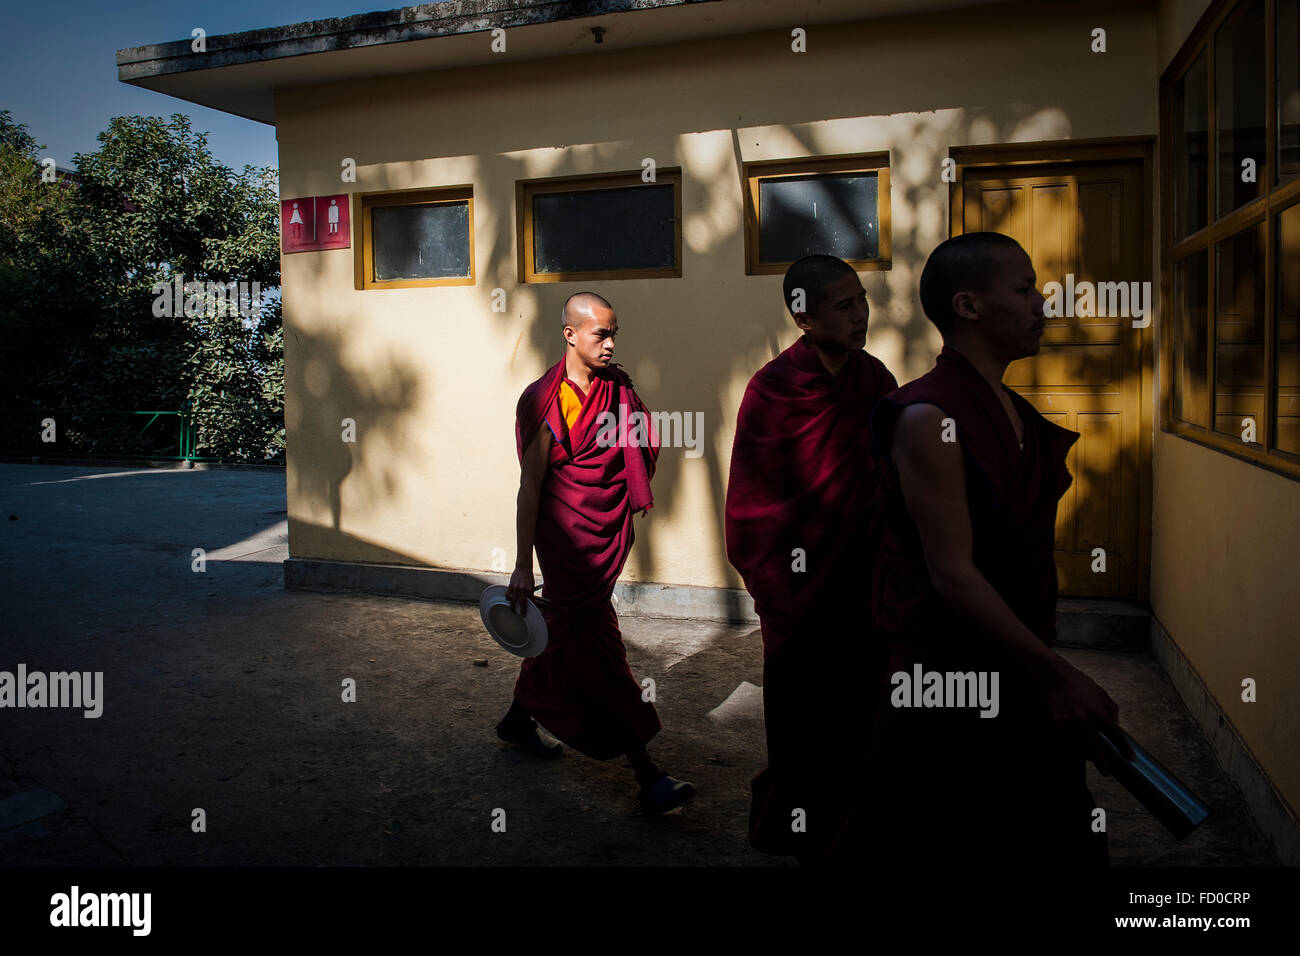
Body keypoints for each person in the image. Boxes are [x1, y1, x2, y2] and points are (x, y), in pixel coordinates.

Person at [825, 232, 1133, 868]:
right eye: (1023, 288)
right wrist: (1059, 674)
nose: (1040, 302)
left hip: (1016, 661)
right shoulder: (927, 416)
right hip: (948, 677)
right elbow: (953, 575)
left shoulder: (1011, 412)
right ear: (967, 306)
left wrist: (1044, 675)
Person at [724, 255, 898, 863]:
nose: (861, 316)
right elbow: (750, 502)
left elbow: (893, 476)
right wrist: (775, 581)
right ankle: (802, 828)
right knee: (804, 716)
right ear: (804, 317)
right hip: (799, 592)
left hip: (865, 582)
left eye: (862, 301)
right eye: (844, 306)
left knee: (864, 711)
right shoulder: (773, 391)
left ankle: (860, 825)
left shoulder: (874, 380)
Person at [498, 291, 695, 814]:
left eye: (613, 334)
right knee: (600, 650)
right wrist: (522, 563)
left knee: (563, 637)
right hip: (564, 543)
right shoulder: (545, 401)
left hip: (604, 533)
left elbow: (632, 453)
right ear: (570, 334)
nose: (609, 344)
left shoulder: (616, 388)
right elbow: (531, 487)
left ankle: (518, 720)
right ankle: (646, 771)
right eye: (599, 334)